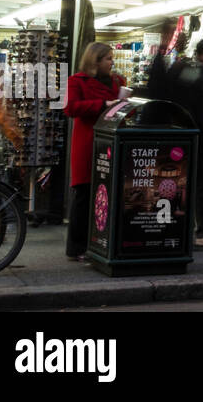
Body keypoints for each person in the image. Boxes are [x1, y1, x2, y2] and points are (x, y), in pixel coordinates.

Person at [63, 43, 127, 261]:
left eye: (112, 58)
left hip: (110, 141)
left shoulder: (118, 81)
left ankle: (102, 243)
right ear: (95, 60)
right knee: (84, 194)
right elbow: (71, 108)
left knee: (106, 193)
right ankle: (77, 247)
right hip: (87, 142)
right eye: (108, 58)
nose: (112, 62)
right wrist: (103, 104)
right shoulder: (76, 81)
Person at [159, 40, 203, 246]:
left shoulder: (192, 72)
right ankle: (201, 231)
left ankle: (190, 228)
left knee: (192, 181)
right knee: (198, 182)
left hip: (190, 135)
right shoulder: (196, 74)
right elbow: (196, 106)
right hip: (194, 135)